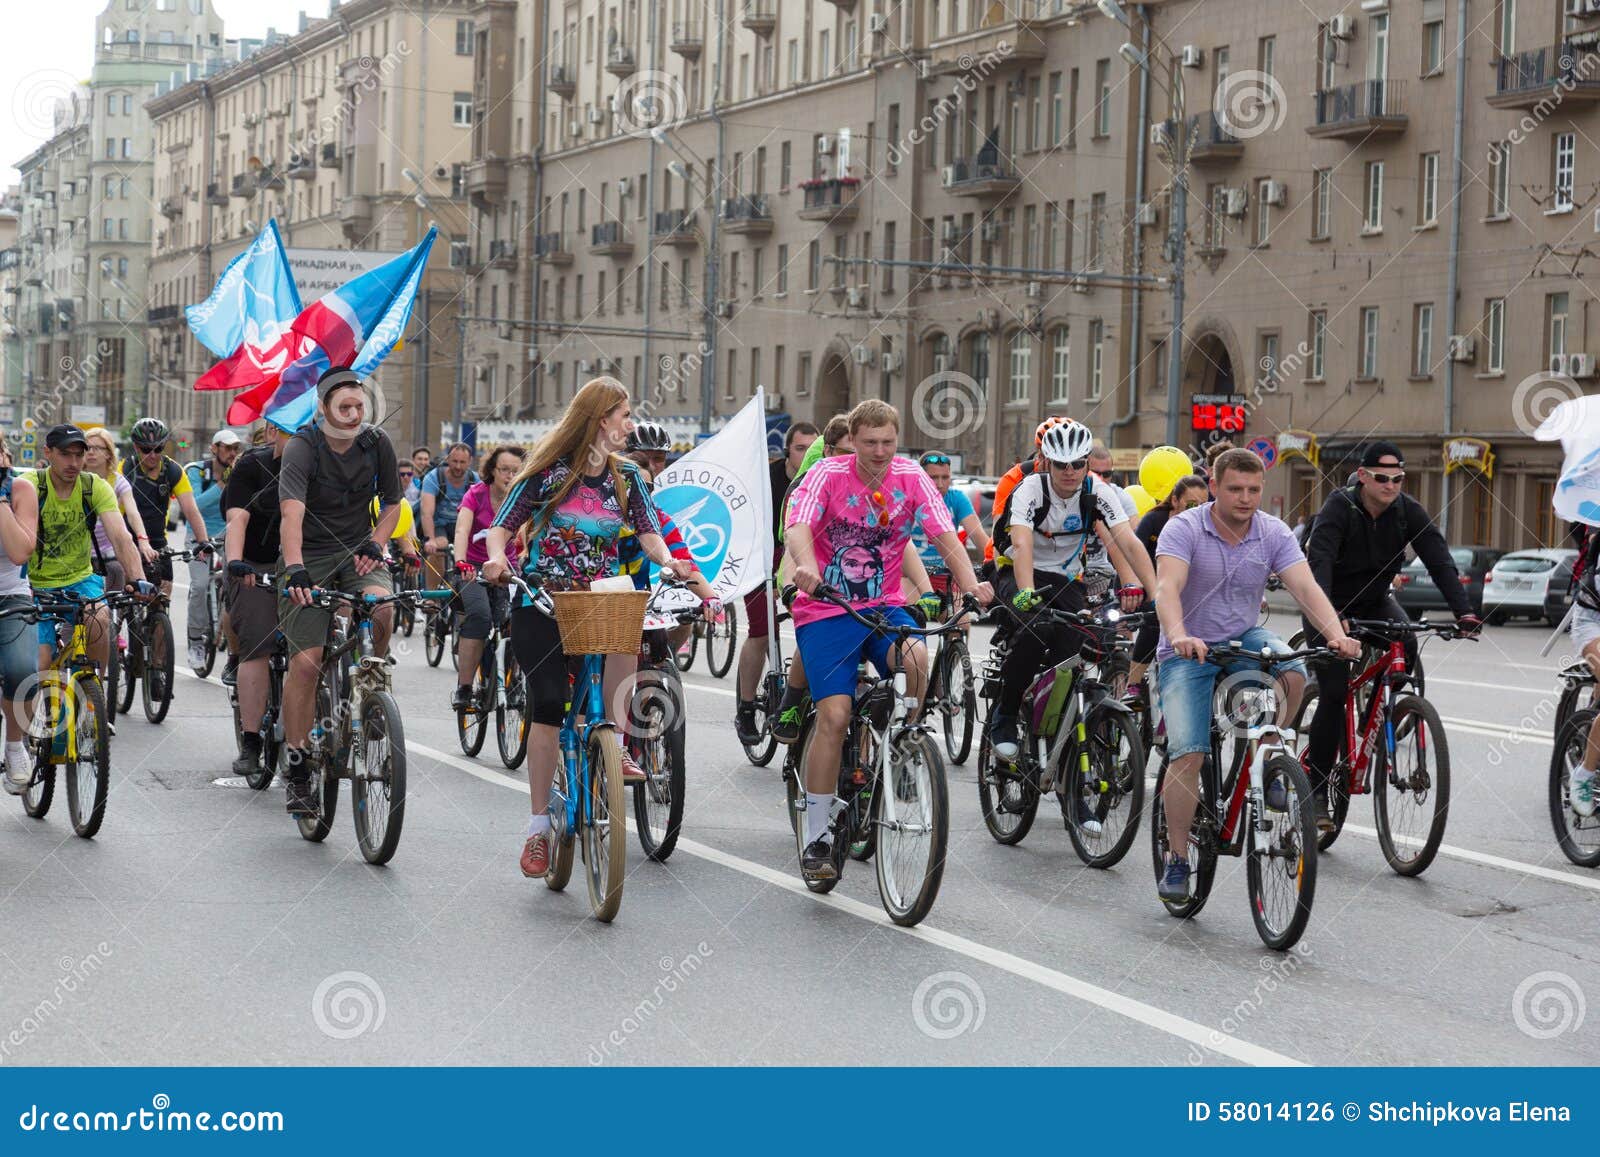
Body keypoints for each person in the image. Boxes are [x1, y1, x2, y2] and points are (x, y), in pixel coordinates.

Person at [785, 400, 994, 879]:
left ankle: (899, 748)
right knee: (835, 716)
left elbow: (945, 536)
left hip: (882, 606)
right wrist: (808, 569)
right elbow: (798, 526)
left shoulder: (911, 477)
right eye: (869, 443)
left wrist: (974, 583)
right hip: (828, 607)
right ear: (853, 440)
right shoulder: (829, 475)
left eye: (888, 442)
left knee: (918, 659)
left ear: (897, 441)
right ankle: (817, 835)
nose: (879, 452)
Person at [481, 377, 680, 879]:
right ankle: (537, 829)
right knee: (548, 703)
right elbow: (503, 528)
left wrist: (671, 563)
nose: (630, 424)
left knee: (628, 623)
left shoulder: (626, 477)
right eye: (624, 415)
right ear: (599, 421)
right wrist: (499, 559)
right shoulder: (547, 473)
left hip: (599, 596)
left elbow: (651, 533)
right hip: (543, 599)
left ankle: (613, 742)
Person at [1152, 448, 1360, 902]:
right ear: (1213, 486)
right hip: (1187, 649)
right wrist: (1180, 633)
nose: (1245, 499)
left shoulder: (1272, 532)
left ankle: (1268, 752)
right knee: (1189, 753)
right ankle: (1178, 857)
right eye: (1234, 489)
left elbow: (1305, 587)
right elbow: (1167, 587)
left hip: (1242, 639)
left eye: (1253, 490)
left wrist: (1335, 633)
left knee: (1293, 668)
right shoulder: (1184, 527)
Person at [1301, 440, 1481, 824]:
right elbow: (1319, 565)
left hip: (1374, 602)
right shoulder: (1340, 506)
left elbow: (1438, 559)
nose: (1390, 485)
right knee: (1333, 694)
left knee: (1408, 644)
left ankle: (1378, 707)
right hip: (1326, 602)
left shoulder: (1407, 510)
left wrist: (1464, 613)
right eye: (1381, 478)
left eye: (1397, 478)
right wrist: (1331, 617)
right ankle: (1316, 791)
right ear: (1363, 477)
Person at [987, 419, 1157, 762]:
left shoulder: (1098, 492)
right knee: (1037, 628)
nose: (1069, 472)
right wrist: (1025, 593)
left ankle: (1057, 729)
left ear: (1086, 464)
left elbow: (1127, 542)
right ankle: (1005, 714)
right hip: (1015, 570)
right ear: (1046, 462)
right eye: (1060, 465)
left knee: (1081, 640)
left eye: (1078, 464)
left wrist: (1155, 593)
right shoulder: (1030, 490)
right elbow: (1020, 545)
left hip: (1065, 577)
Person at [277, 367, 405, 817]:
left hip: (357, 553)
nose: (354, 415)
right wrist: (294, 570)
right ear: (324, 410)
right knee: (308, 662)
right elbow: (291, 515)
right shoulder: (302, 446)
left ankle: (368, 691)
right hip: (308, 555)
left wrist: (378, 541)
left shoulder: (376, 444)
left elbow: (394, 503)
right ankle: (295, 765)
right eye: (344, 408)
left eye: (359, 407)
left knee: (383, 609)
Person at [26, 424, 148, 678]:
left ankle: (95, 697)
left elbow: (121, 537)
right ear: (47, 452)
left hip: (80, 580)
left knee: (99, 620)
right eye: (65, 454)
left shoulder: (94, 486)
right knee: (40, 664)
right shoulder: (30, 485)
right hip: (35, 585)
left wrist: (138, 579)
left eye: (79, 455)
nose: (74, 462)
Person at [734, 420, 819, 745]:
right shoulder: (765, 479)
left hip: (797, 557)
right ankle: (745, 708)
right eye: (800, 448)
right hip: (760, 556)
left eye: (812, 448)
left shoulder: (819, 479)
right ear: (787, 451)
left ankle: (799, 694)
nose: (806, 454)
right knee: (762, 629)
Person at [222, 416, 292, 778]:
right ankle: (251, 739)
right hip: (253, 563)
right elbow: (237, 520)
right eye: (293, 432)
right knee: (259, 643)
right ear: (271, 434)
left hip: (301, 566)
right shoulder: (252, 465)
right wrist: (235, 561)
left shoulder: (320, 467)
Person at [450, 444, 526, 711]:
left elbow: (528, 535)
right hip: (472, 568)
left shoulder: (523, 497)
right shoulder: (476, 494)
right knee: (480, 617)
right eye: (504, 469)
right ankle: (465, 686)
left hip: (509, 571)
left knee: (520, 620)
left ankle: (515, 680)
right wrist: (460, 562)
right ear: (492, 471)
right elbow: (462, 530)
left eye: (515, 471)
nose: (509, 475)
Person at [1127, 473, 1208, 693]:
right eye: (1191, 504)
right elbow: (1134, 553)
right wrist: (1143, 588)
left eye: (1203, 504)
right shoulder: (1155, 521)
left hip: (1182, 589)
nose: (1196, 509)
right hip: (1145, 583)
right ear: (1174, 500)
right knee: (1155, 622)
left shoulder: (1206, 527)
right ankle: (1132, 683)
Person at [122, 417, 212, 593]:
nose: (153, 455)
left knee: (163, 596)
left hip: (158, 544)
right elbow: (113, 512)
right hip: (128, 542)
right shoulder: (124, 469)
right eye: (146, 449)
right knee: (126, 597)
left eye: (158, 449)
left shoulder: (173, 470)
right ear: (135, 447)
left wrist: (203, 541)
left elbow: (191, 510)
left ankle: (159, 620)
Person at [0, 442, 39, 795]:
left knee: (22, 669)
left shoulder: (20, 489)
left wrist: (0, 500)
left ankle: (15, 745)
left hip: (11, 596)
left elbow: (19, 551)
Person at [184, 429, 240, 671]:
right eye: (227, 448)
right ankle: (196, 641)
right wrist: (221, 484)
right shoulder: (196, 470)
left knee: (237, 581)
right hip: (198, 534)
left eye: (235, 448)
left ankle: (232, 635)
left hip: (227, 533)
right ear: (214, 448)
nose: (232, 453)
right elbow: (193, 505)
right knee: (199, 585)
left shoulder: (239, 469)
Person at [904, 450, 990, 604]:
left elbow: (978, 536)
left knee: (960, 625)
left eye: (945, 477)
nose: (939, 484)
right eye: (933, 478)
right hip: (913, 575)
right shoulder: (907, 497)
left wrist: (997, 565)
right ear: (922, 478)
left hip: (944, 574)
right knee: (913, 619)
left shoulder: (957, 498)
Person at [984, 416, 1070, 567]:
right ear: (1040, 454)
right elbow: (999, 531)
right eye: (1048, 457)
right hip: (1006, 557)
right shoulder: (1014, 478)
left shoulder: (1081, 477)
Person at [83, 427, 156, 595]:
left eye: (97, 448)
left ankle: (120, 616)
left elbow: (132, 513)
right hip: (80, 554)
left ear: (109, 453)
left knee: (116, 598)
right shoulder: (75, 478)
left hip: (109, 552)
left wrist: (143, 540)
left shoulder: (118, 481)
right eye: (87, 448)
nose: (91, 452)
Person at [420, 441, 479, 589]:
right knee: (438, 549)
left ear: (470, 462)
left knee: (474, 553)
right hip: (440, 524)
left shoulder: (475, 480)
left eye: (462, 462)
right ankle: (432, 596)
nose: (458, 466)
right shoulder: (433, 478)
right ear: (447, 459)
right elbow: (427, 513)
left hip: (465, 524)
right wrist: (430, 539)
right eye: (454, 461)